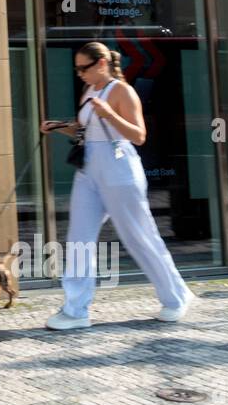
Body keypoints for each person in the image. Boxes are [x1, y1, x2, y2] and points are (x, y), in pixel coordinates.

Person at [40, 42, 194, 330]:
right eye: (77, 68)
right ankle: (76, 310)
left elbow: (139, 135)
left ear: (101, 64)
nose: (79, 73)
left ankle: (176, 297)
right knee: (78, 238)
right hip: (89, 168)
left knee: (139, 236)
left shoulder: (121, 91)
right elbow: (86, 128)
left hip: (119, 166)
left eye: (82, 67)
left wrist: (110, 113)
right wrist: (59, 127)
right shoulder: (90, 91)